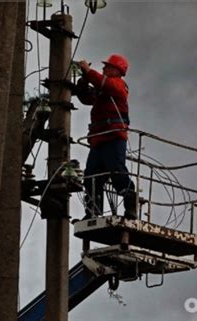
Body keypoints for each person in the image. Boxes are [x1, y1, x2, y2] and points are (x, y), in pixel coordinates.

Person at [76, 54, 137, 220]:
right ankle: (93, 212)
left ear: (116, 70)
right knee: (92, 177)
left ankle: (131, 207)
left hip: (114, 138)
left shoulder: (118, 86)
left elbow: (105, 84)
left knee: (117, 172)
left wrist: (88, 72)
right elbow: (88, 97)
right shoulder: (104, 90)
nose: (103, 69)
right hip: (99, 140)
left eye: (107, 66)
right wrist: (83, 82)